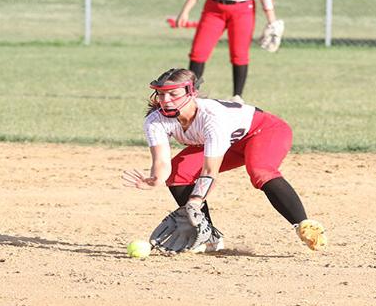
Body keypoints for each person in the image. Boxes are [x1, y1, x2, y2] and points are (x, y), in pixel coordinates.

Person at [121, 68, 326, 253]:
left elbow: (210, 172)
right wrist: (156, 178)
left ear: (192, 93)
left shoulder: (212, 117)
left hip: (263, 132)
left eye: (173, 94)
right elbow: (162, 162)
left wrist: (194, 201)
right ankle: (208, 236)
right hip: (229, 143)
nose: (165, 100)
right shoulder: (155, 120)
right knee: (178, 173)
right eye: (161, 94)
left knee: (260, 171)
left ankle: (305, 225)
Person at [175, 0, 280, 100]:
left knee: (239, 54)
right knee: (198, 52)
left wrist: (272, 21)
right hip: (214, 10)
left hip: (242, 10)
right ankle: (192, 95)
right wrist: (185, 12)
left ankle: (237, 97)